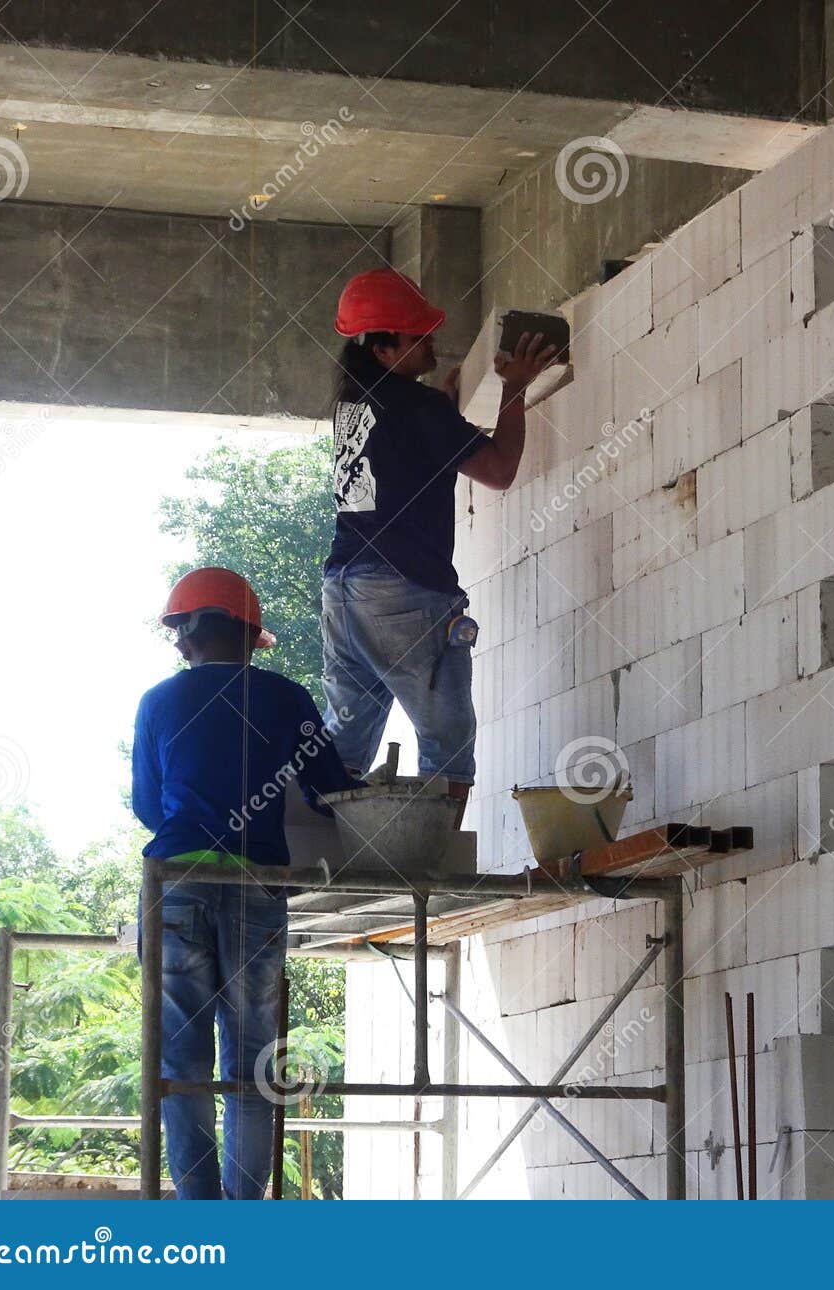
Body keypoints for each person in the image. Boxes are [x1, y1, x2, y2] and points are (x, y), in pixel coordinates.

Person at [132, 566, 358, 1200]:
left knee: (180, 1062)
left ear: (204, 627)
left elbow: (150, 809)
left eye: (181, 630)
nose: (177, 645)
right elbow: (328, 792)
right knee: (253, 1064)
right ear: (247, 633)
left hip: (175, 883)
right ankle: (244, 1222)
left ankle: (199, 1223)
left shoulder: (157, 702)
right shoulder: (287, 699)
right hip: (258, 885)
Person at [323, 268, 557, 799]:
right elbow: (499, 471)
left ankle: (327, 855)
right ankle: (439, 860)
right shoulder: (419, 407)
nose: (431, 341)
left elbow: (403, 467)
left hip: (343, 590)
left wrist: (447, 413)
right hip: (401, 587)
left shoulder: (352, 409)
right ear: (385, 350)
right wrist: (514, 388)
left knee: (347, 744)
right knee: (447, 740)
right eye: (417, 336)